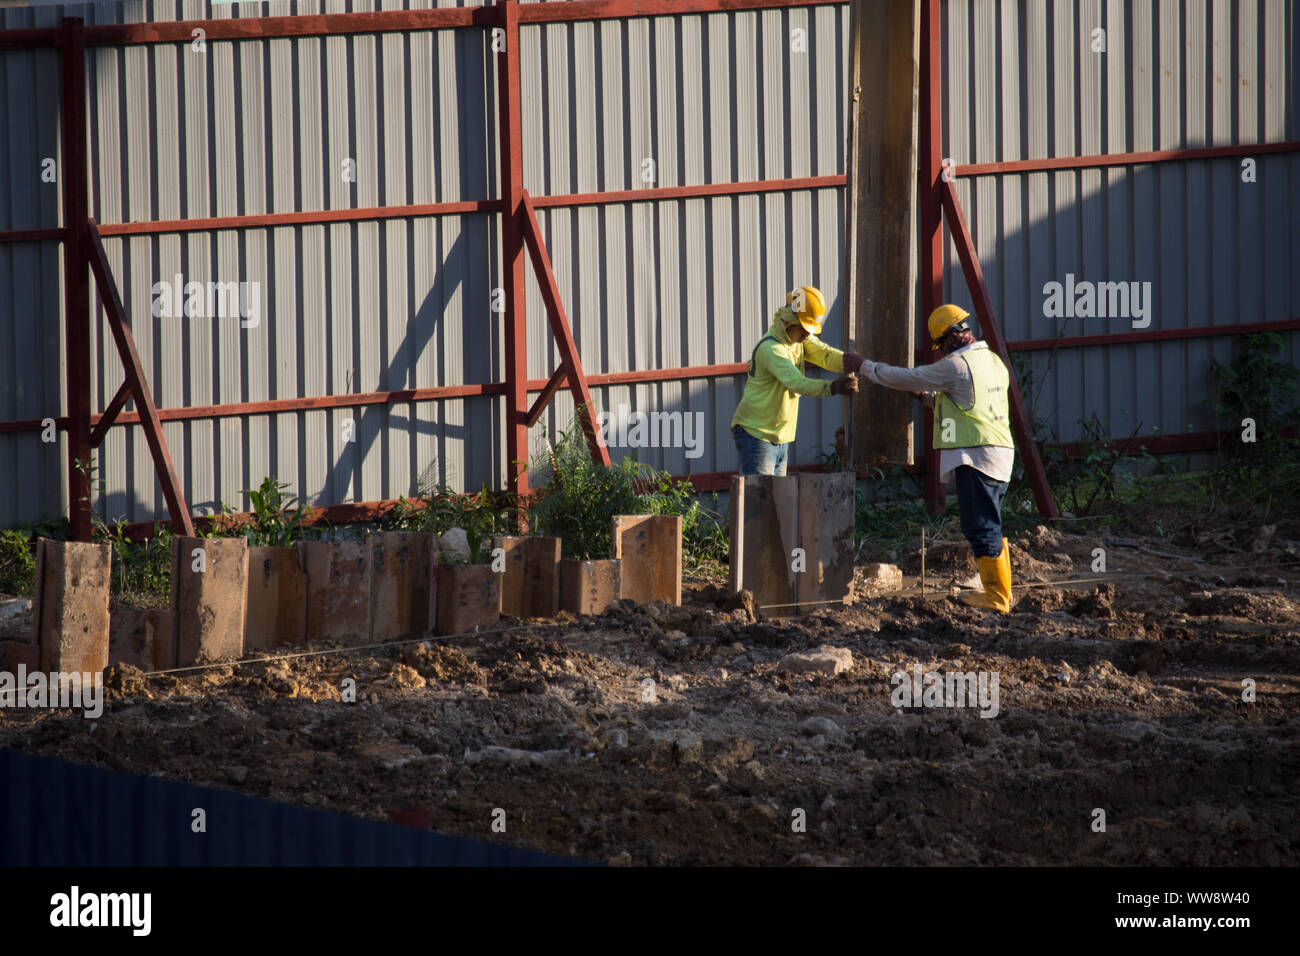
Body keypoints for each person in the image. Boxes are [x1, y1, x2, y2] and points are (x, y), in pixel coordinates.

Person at [858, 304, 1016, 613]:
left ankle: (997, 598)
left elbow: (909, 376)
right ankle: (1001, 593)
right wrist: (928, 400)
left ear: (950, 336)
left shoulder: (957, 366)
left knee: (980, 527)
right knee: (989, 524)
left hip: (976, 457)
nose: (942, 351)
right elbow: (967, 404)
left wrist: (866, 367)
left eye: (941, 345)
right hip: (999, 454)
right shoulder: (993, 361)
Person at [731, 286, 865, 476]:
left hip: (778, 436)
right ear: (789, 320)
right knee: (762, 502)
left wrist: (850, 361)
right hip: (757, 434)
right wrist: (833, 387)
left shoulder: (797, 339)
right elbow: (797, 383)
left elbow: (825, 355)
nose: (807, 334)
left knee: (775, 500)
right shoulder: (772, 349)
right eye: (804, 328)